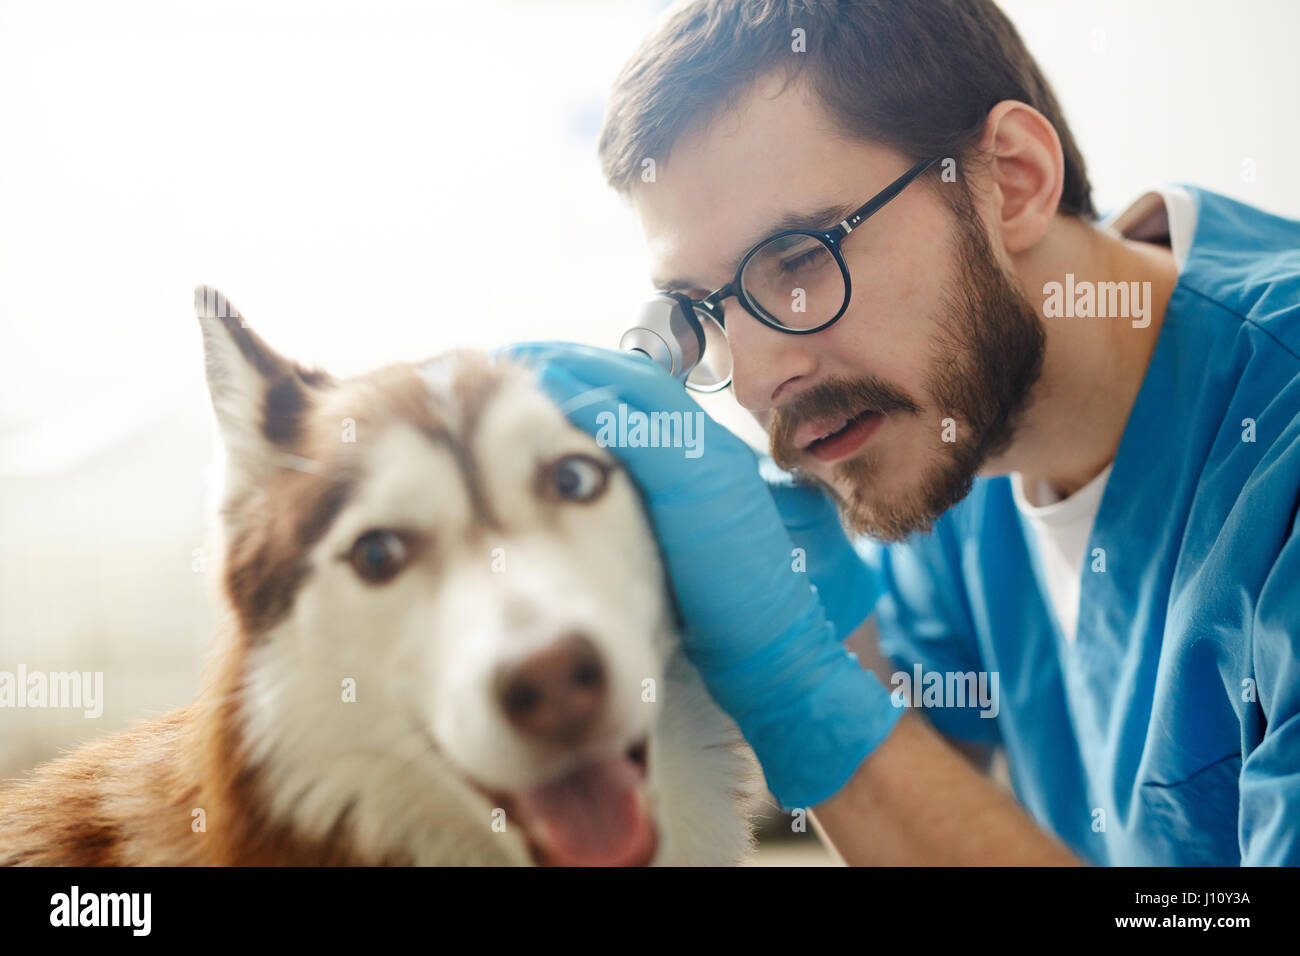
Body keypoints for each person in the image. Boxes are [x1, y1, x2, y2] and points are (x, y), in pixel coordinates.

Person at [505, 0, 1300, 865]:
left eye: (802, 258)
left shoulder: (1273, 450)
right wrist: (822, 628)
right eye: (704, 312)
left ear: (1015, 177)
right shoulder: (952, 427)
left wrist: (800, 689)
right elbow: (932, 803)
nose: (763, 378)